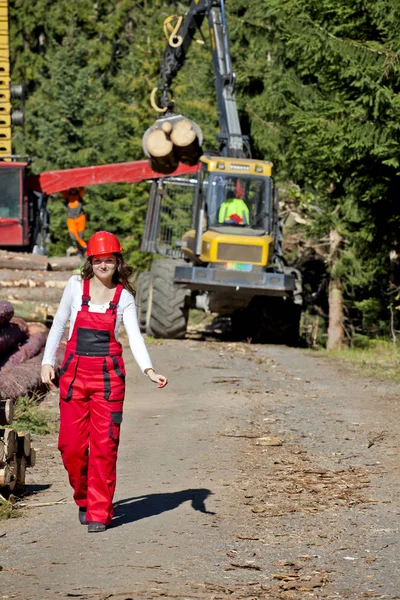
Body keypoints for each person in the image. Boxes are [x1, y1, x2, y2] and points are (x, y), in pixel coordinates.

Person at [41, 231, 167, 533]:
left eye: (108, 260)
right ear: (91, 262)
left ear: (117, 262)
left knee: (104, 448)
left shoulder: (123, 297)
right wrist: (47, 361)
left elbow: (135, 337)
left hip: (108, 381)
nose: (103, 265)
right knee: (70, 447)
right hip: (73, 376)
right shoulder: (74, 287)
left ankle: (100, 511)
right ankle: (84, 498)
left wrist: (149, 370)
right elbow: (59, 323)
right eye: (98, 260)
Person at [63, 187, 87, 256]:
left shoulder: (79, 195)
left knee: (80, 236)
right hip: (71, 219)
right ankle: (85, 247)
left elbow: (82, 189)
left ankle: (80, 250)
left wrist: (79, 184)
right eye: (71, 190)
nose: (73, 192)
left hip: (80, 218)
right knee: (73, 235)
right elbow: (62, 191)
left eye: (74, 190)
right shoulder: (67, 196)